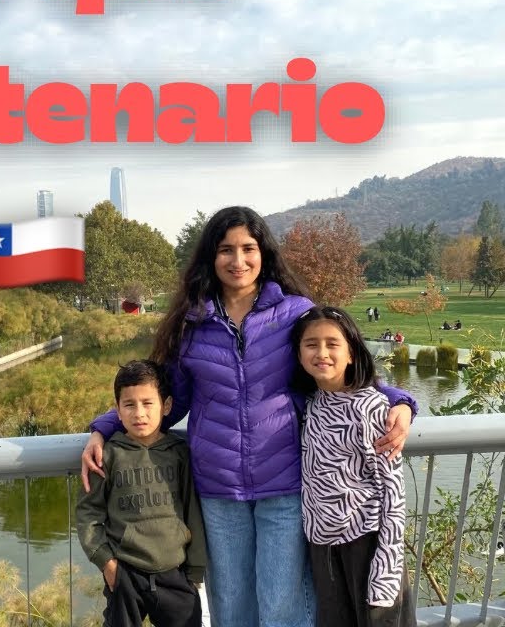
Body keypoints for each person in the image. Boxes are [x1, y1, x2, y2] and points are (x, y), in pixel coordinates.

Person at [80, 206, 416, 627]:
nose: (238, 261)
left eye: (248, 248)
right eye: (226, 250)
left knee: (282, 606)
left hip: (286, 483)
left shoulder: (293, 313)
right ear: (211, 257)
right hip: (218, 488)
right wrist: (104, 427)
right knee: (232, 605)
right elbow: (163, 398)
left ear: (263, 253)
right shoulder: (193, 323)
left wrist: (401, 401)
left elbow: (338, 370)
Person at [292, 307, 416, 627]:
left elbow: (393, 494)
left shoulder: (370, 407)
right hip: (324, 548)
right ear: (298, 353)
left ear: (351, 353)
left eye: (333, 344)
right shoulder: (312, 404)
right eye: (311, 344)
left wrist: (386, 568)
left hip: (369, 544)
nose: (322, 353)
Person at [75, 360, 206, 627]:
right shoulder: (108, 456)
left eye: (148, 403)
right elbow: (88, 512)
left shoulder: (179, 453)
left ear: (166, 406)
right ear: (118, 411)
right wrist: (107, 563)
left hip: (175, 573)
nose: (139, 414)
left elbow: (192, 511)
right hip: (125, 573)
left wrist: (195, 571)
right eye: (130, 405)